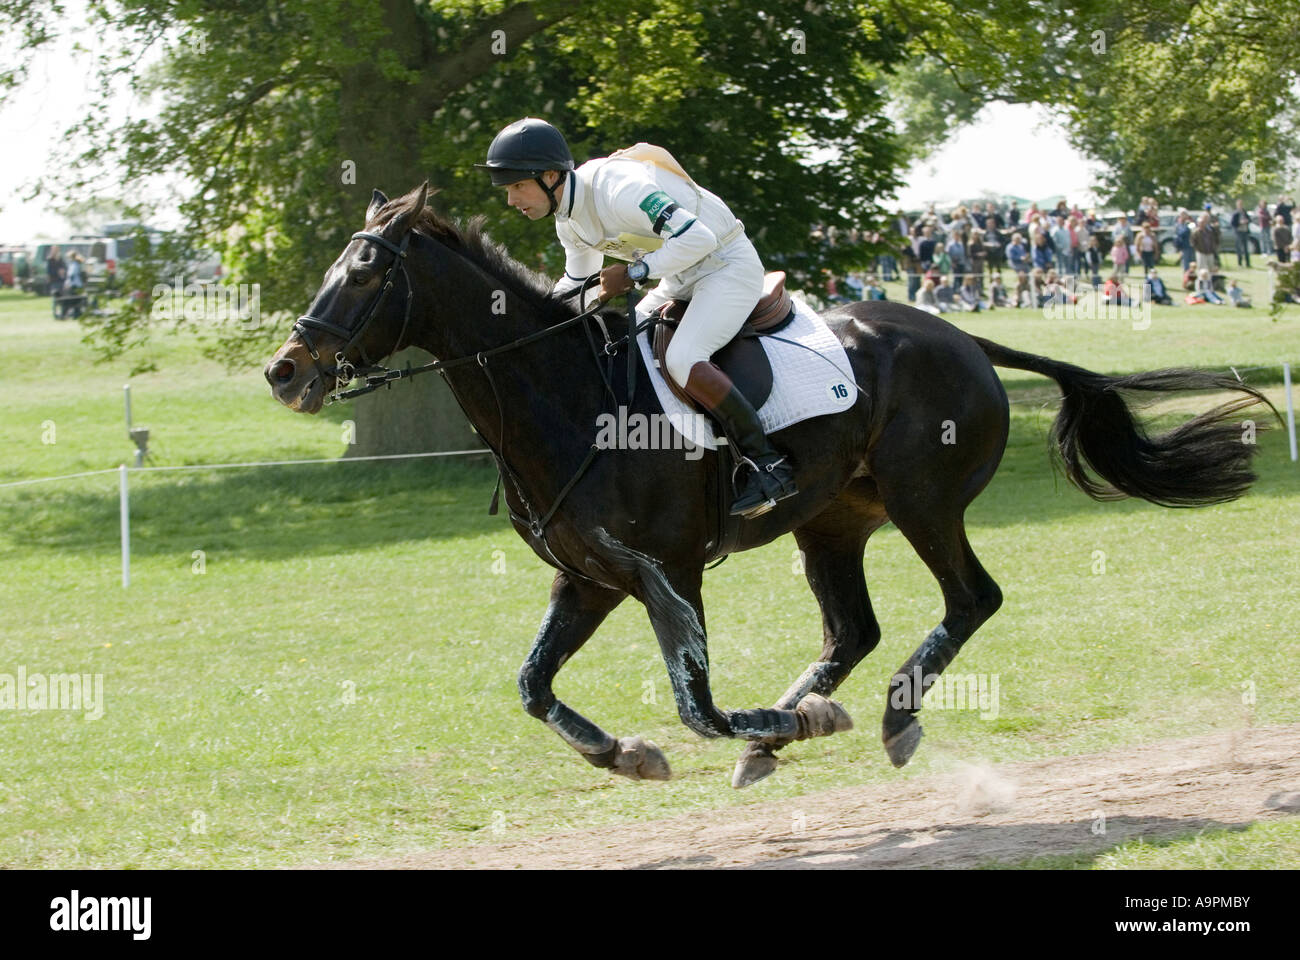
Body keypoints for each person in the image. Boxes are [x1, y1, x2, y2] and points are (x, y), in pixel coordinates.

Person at [478, 117, 794, 517]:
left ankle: (767, 463)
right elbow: (580, 285)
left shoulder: (618, 189)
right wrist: (529, 327)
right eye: (508, 190)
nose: (511, 200)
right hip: (680, 276)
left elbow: (699, 239)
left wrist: (631, 273)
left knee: (682, 357)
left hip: (726, 266)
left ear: (551, 175)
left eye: (517, 186)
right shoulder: (569, 219)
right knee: (621, 345)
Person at [1230, 200, 1253, 267]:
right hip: (1239, 232)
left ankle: (1247, 263)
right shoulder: (1235, 213)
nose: (1241, 206)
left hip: (1245, 231)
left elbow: (1249, 219)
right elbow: (1233, 223)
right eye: (1239, 204)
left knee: (1246, 248)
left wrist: (1247, 221)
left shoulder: (1244, 212)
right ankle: (1240, 263)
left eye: (1241, 204)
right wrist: (1240, 223)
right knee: (1239, 248)